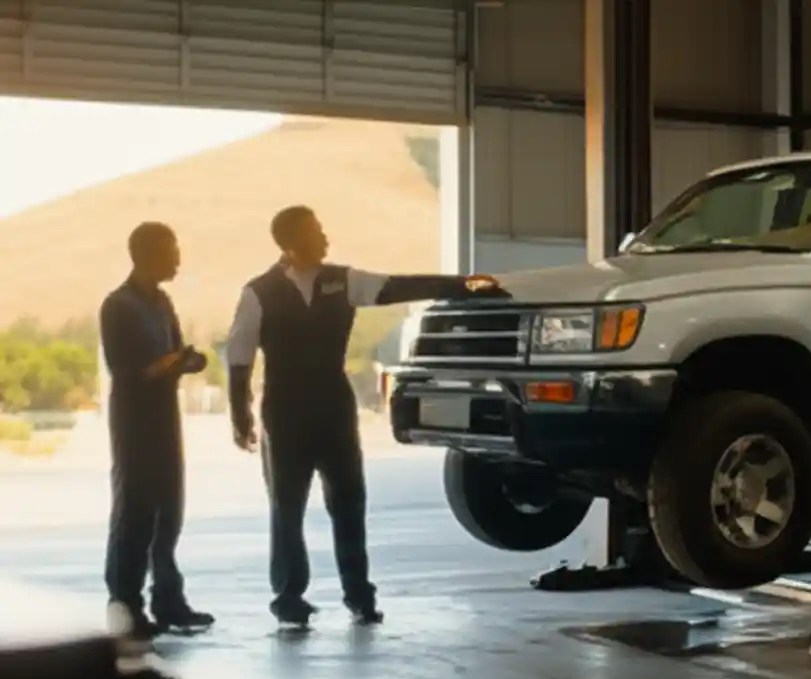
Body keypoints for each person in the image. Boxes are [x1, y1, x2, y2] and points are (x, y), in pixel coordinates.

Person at [224, 205, 507, 626]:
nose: (324, 237)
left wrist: (462, 285)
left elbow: (399, 286)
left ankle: (359, 595)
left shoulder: (341, 280)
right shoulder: (258, 292)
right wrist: (239, 415)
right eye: (315, 232)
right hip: (284, 412)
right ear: (290, 242)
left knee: (349, 501)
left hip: (333, 406)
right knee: (286, 506)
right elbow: (239, 356)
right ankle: (288, 598)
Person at [99, 222, 214, 639]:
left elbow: (174, 354)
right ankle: (125, 605)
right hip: (134, 422)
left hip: (165, 417)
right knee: (134, 512)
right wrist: (174, 361)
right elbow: (129, 370)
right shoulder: (118, 306)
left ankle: (169, 601)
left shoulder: (162, 302)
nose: (177, 259)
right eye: (170, 251)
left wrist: (183, 360)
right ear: (146, 255)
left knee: (169, 511)